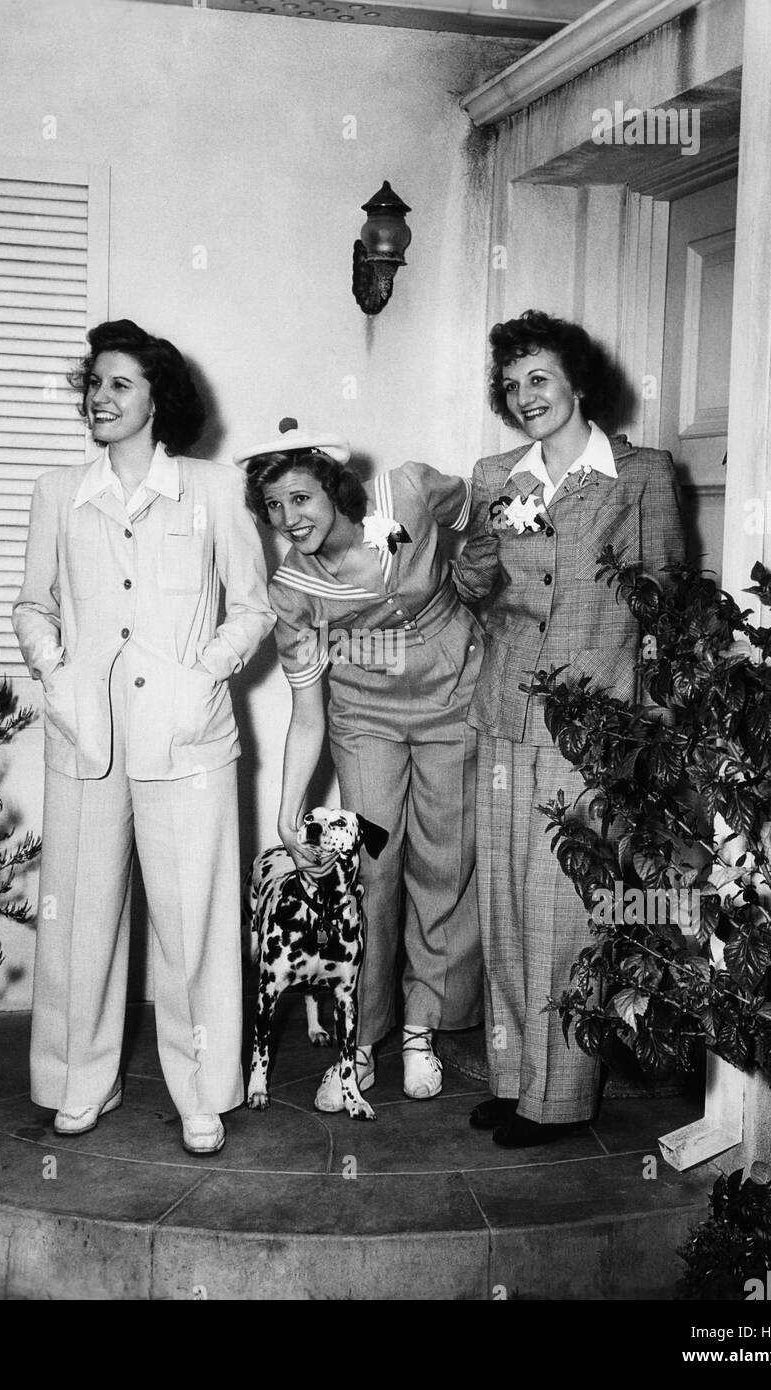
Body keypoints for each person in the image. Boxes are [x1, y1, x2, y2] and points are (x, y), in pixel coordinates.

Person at [13, 319, 274, 1156]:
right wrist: (55, 674)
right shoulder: (59, 491)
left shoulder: (215, 487)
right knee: (79, 917)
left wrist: (205, 675)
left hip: (186, 740)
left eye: (120, 383)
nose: (100, 396)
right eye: (94, 383)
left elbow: (253, 607)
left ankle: (201, 1090)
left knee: (193, 922)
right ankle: (75, 1079)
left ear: (159, 398)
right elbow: (32, 604)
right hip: (84, 737)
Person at [453, 310, 684, 1148]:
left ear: (577, 380)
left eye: (538, 379)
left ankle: (558, 1097)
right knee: (506, 906)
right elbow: (479, 590)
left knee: (566, 912)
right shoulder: (495, 476)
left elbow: (664, 604)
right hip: (505, 712)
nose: (524, 398)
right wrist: (465, 557)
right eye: (510, 386)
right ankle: (515, 1077)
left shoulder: (639, 476)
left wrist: (650, 729)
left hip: (593, 722)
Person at [237, 420, 484, 1107]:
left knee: (445, 858)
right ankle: (359, 1045)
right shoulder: (292, 589)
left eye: (300, 499)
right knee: (374, 864)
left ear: (334, 488)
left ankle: (418, 1029)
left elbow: (480, 510)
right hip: (362, 709)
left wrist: (478, 576)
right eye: (274, 509)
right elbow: (308, 713)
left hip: (451, 690)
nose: (289, 520)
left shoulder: (401, 494)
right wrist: (287, 813)